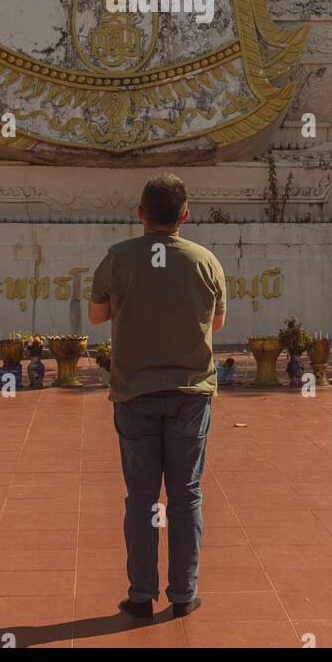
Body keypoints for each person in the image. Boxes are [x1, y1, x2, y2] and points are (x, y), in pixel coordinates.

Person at [89, 172, 225, 619]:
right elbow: (217, 323)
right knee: (186, 494)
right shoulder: (205, 261)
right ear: (185, 215)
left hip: (135, 391)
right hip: (190, 392)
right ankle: (184, 594)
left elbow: (96, 315)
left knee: (142, 497)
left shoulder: (119, 257)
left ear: (141, 214)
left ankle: (141, 593)